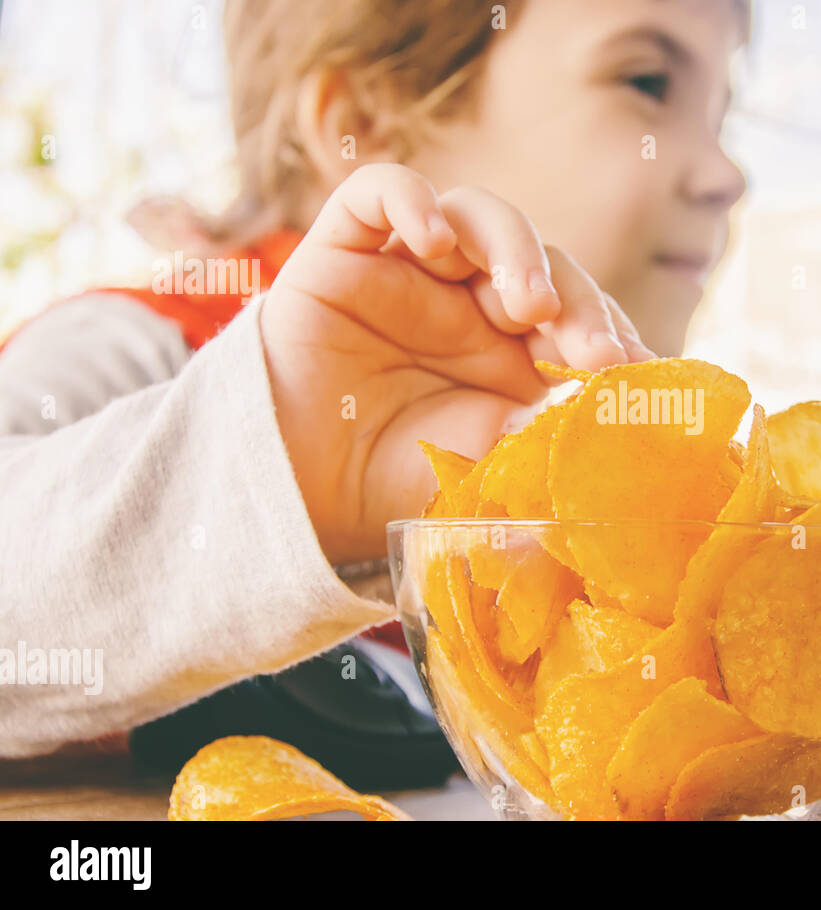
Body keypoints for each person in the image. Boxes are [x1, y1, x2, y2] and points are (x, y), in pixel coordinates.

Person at [0, 0, 748, 760]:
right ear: (367, 119)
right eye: (647, 82)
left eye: (725, 109)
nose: (729, 172)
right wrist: (278, 461)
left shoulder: (570, 457)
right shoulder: (136, 339)